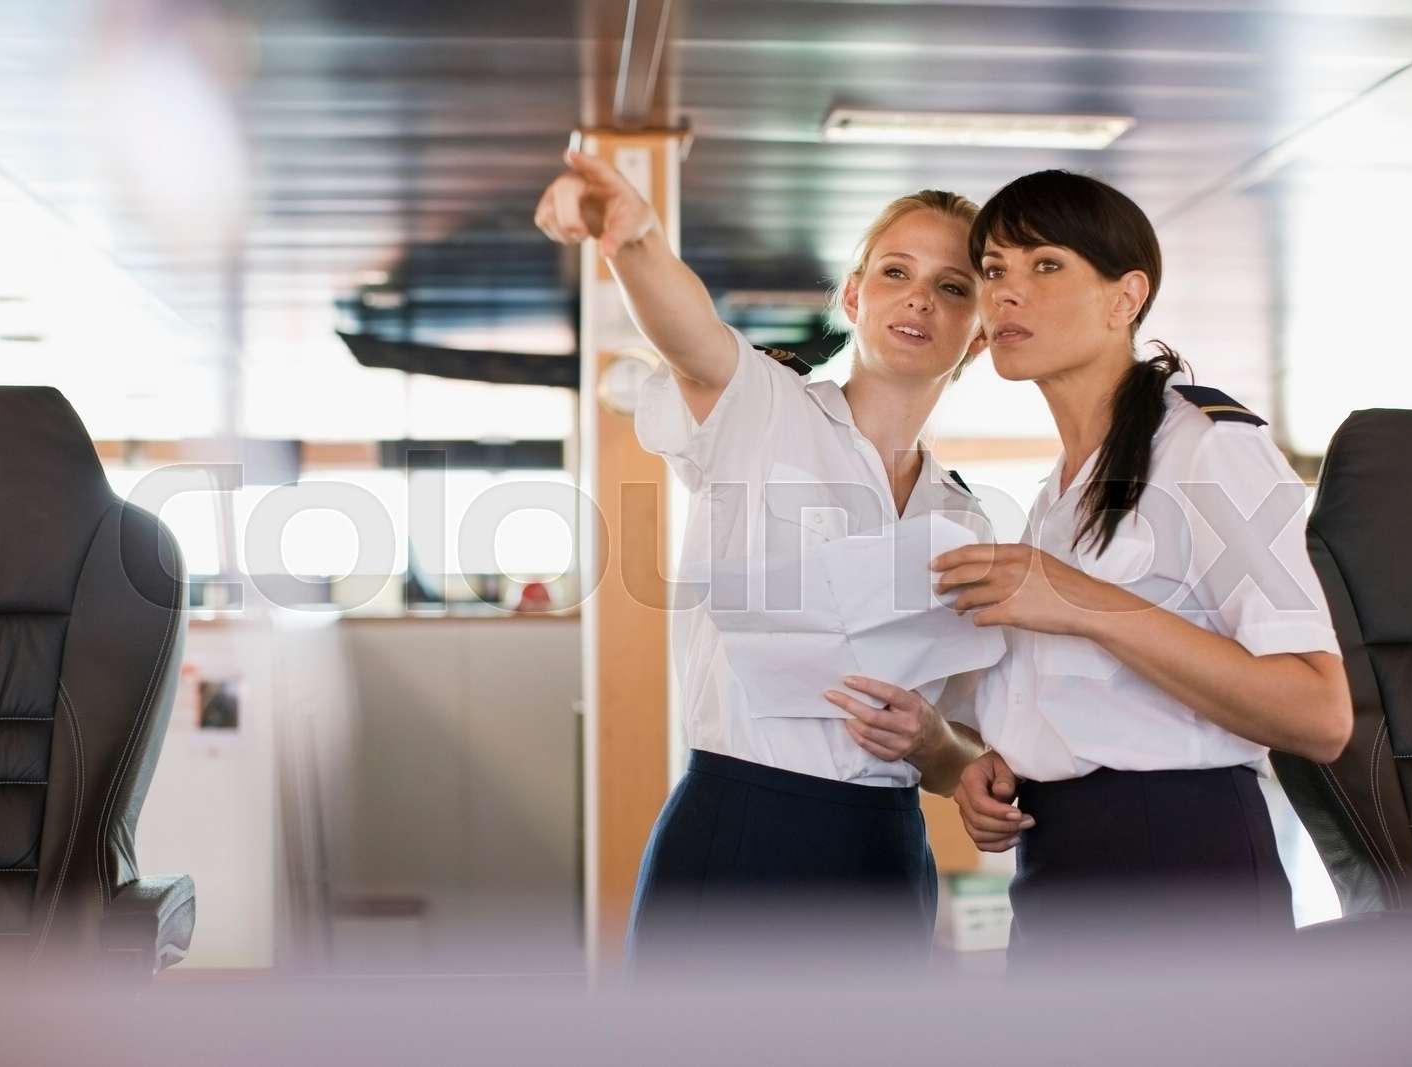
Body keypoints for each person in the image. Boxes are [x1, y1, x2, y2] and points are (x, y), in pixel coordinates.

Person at [534, 149, 1029, 968]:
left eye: (952, 286)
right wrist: (638, 238)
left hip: (887, 852)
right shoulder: (764, 409)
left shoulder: (964, 519)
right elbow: (691, 336)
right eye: (895, 271)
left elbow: (968, 751)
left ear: (978, 333)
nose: (918, 297)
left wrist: (935, 743)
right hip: (742, 830)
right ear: (853, 295)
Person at [931, 170, 1354, 966]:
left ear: (1126, 297)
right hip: (1058, 860)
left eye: (1044, 265)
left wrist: (1086, 603)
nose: (1007, 294)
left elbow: (1320, 714)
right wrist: (996, 761)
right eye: (993, 271)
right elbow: (1091, 702)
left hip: (1179, 860)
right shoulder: (1059, 492)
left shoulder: (1208, 446)